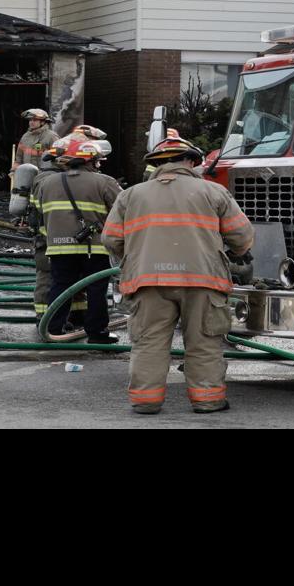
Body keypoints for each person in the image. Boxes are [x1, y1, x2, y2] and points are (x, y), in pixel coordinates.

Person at [102, 137, 253, 415]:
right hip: (203, 281)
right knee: (204, 342)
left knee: (149, 343)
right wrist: (231, 252)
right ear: (192, 161)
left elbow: (111, 239)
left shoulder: (130, 195)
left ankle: (146, 401)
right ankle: (208, 400)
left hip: (147, 282)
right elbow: (242, 238)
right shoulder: (213, 192)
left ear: (156, 164)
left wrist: (139, 254)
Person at [31, 138, 123, 344]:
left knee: (61, 286)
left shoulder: (46, 183)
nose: (99, 164)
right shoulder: (104, 182)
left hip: (57, 246)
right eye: (98, 161)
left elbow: (39, 214)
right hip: (94, 247)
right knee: (96, 289)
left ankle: (52, 328)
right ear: (90, 161)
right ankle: (97, 333)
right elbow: (124, 209)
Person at [13, 108, 60, 173]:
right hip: (27, 174)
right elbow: (19, 158)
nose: (31, 122)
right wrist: (14, 171)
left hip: (44, 176)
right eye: (30, 120)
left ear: (43, 122)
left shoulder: (51, 136)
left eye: (34, 120)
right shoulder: (25, 137)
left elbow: (58, 158)